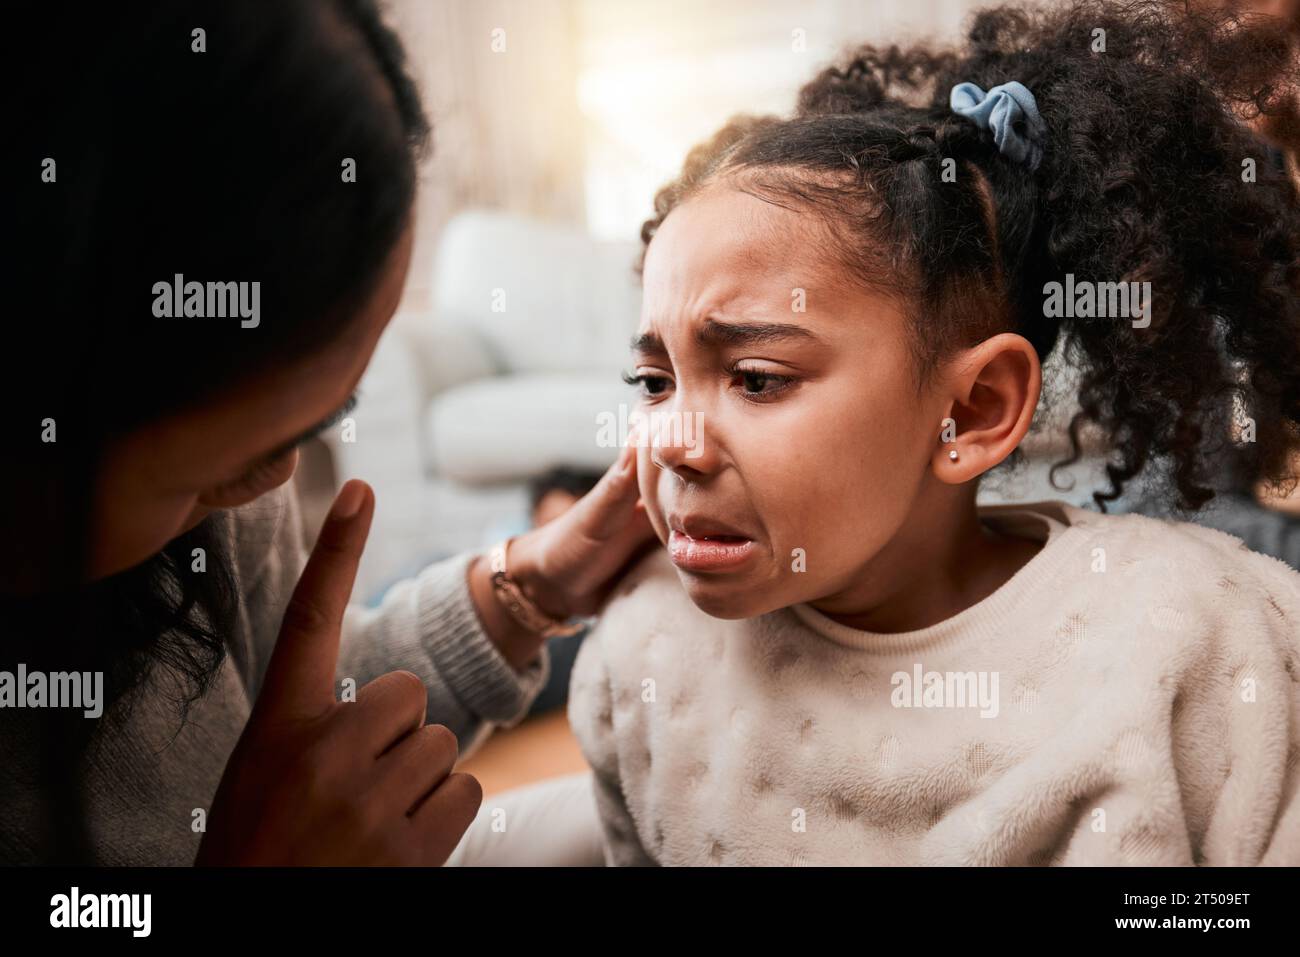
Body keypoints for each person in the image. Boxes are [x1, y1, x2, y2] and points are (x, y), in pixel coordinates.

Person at [555, 0, 1300, 865]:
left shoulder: (1206, 643)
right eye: (653, 382)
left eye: (756, 378)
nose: (670, 443)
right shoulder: (642, 662)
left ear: (975, 409)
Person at [2, 0, 653, 865]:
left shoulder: (204, 523)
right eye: (228, 465)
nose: (272, 489)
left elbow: (293, 715)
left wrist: (526, 587)